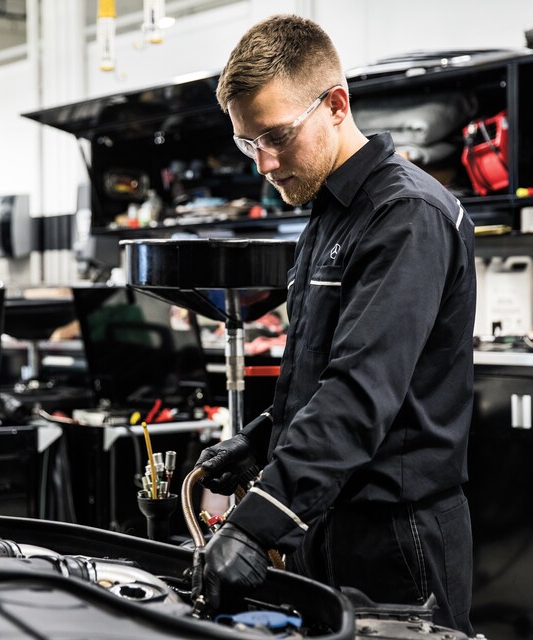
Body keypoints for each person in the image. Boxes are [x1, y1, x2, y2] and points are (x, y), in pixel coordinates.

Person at [195, 14, 476, 635]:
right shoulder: (329, 212)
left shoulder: (405, 216)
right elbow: (320, 373)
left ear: (336, 105)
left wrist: (256, 523)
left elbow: (359, 392)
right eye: (247, 143)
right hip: (331, 521)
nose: (263, 164)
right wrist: (262, 441)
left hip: (397, 540)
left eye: (275, 135)